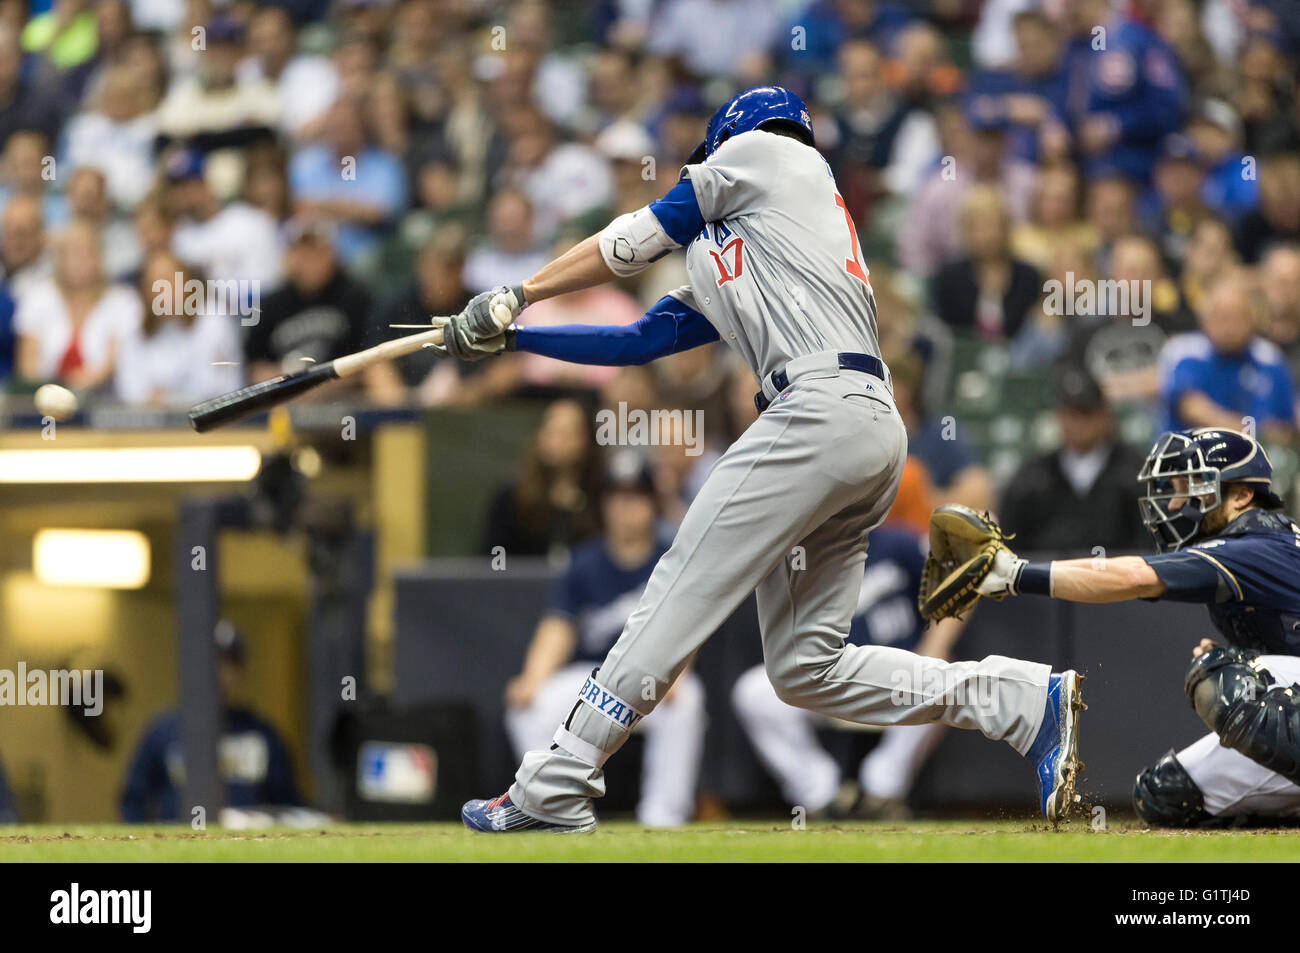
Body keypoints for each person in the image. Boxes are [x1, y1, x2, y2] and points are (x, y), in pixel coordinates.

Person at [433, 86, 1083, 833]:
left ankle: (555, 782)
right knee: (807, 668)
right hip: (859, 424)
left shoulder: (773, 151)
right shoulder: (762, 244)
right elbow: (637, 341)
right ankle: (1019, 699)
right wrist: (514, 339)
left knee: (680, 579)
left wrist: (519, 292)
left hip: (818, 405)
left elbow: (637, 237)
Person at [963, 427, 1300, 825]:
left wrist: (1014, 574)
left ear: (1241, 496)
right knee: (1167, 793)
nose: (1175, 503)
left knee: (1225, 678)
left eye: (1192, 488)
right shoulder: (1260, 544)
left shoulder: (1259, 545)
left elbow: (1130, 576)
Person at [505, 454, 705, 827]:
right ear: (603, 503)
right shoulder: (584, 561)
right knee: (528, 707)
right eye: (616, 496)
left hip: (648, 676)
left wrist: (677, 674)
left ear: (652, 502)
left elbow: (687, 624)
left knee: (687, 699)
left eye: (636, 496)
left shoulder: (671, 557)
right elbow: (558, 626)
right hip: (594, 678)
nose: (625, 507)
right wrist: (533, 677)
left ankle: (664, 817)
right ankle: (559, 807)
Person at [732, 508, 961, 820]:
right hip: (825, 678)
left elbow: (955, 586)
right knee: (753, 692)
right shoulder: (805, 550)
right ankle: (820, 796)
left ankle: (883, 791)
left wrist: (934, 646)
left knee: (941, 680)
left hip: (893, 678)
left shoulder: (899, 543)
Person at [120, 623, 300, 822]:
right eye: (210, 662)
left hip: (247, 840)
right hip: (180, 838)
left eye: (230, 663)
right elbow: (133, 800)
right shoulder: (163, 731)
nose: (221, 673)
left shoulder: (264, 734)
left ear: (242, 671)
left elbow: (288, 804)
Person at [999, 366, 1149, 553]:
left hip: (1119, 570)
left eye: (1085, 412)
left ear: (1104, 414)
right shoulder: (1030, 479)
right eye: (1070, 413)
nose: (1077, 423)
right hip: (1048, 571)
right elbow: (1010, 547)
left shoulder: (1135, 471)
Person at [1158, 270, 1296, 441]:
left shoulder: (1270, 359)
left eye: (1236, 317)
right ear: (1204, 319)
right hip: (1194, 452)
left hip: (1261, 455)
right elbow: (1192, 408)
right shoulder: (1186, 351)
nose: (1228, 327)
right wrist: (1253, 433)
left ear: (1252, 319)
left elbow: (1287, 425)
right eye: (1221, 317)